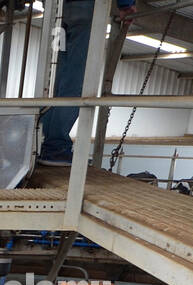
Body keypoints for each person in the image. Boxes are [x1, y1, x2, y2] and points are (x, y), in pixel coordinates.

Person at [39, 0, 137, 167]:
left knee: (58, 72)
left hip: (56, 10)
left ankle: (44, 141)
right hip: (85, 8)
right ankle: (55, 146)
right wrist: (126, 4)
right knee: (77, 79)